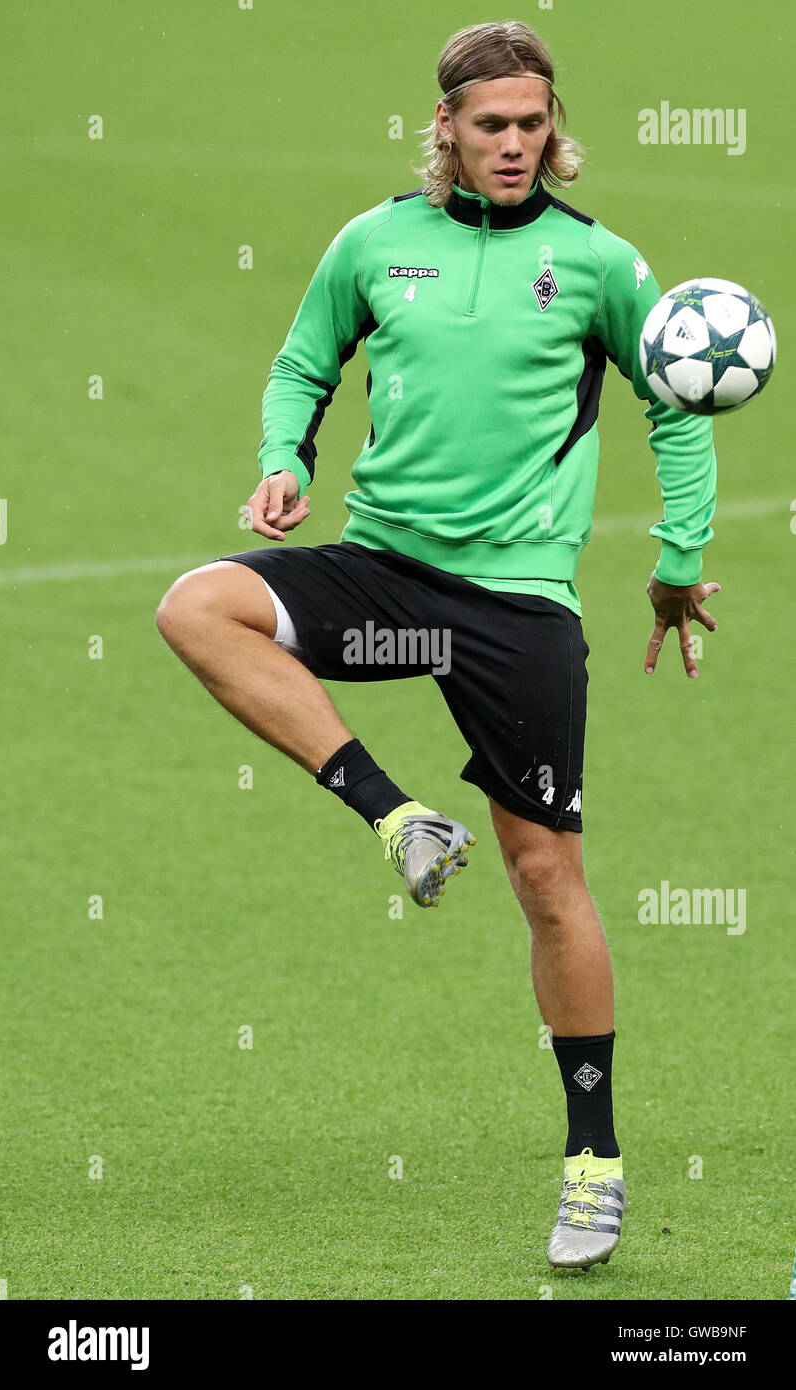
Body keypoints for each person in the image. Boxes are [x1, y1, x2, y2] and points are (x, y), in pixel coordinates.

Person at [156, 20, 720, 1271]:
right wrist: (281, 460)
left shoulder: (599, 265)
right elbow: (303, 363)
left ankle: (593, 1165)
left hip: (518, 604)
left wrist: (678, 561)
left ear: (552, 130)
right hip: (390, 577)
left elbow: (676, 408)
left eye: (532, 125)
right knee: (200, 605)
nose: (514, 145)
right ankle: (398, 816)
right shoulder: (376, 243)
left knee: (544, 877)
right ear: (449, 133)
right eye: (491, 126)